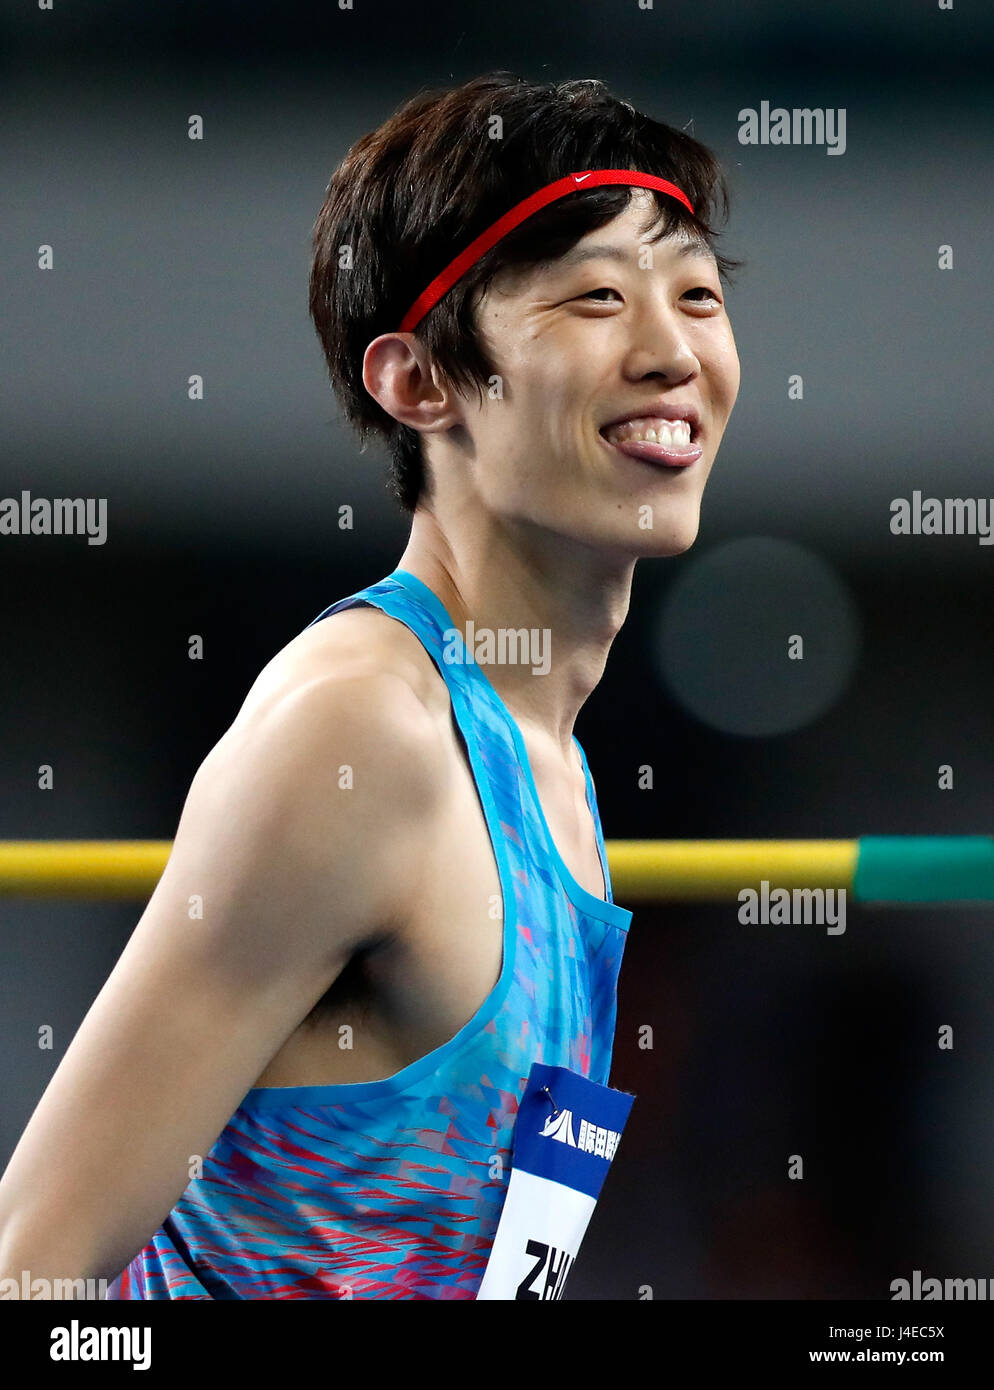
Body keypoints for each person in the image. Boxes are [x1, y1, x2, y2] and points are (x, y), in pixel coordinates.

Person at [0, 71, 740, 1300]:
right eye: (600, 298)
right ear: (419, 381)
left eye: (699, 296)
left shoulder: (550, 760)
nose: (671, 352)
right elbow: (30, 1279)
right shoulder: (362, 733)